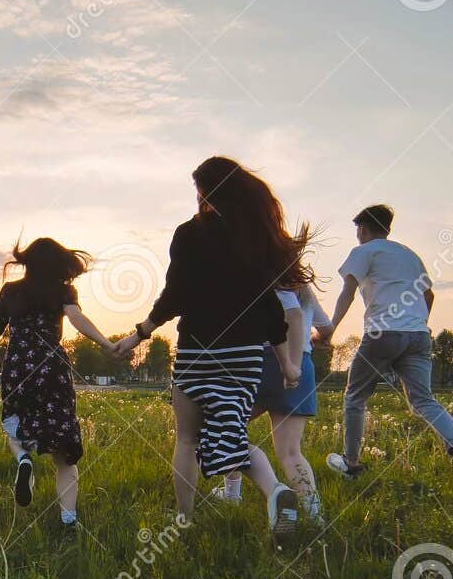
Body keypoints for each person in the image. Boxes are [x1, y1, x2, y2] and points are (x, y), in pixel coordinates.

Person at [115, 156, 313, 535]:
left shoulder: (190, 233)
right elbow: (270, 310)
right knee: (232, 434)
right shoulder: (254, 237)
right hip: (245, 359)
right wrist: (287, 363)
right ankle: (275, 491)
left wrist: (140, 333)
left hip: (198, 352)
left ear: (207, 192)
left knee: (187, 439)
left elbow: (175, 295)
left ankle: (184, 519)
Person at [323, 205, 453, 494]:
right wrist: (419, 323)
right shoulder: (410, 255)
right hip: (418, 335)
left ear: (363, 229)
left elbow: (348, 291)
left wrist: (330, 328)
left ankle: (351, 463)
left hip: (382, 333)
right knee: (423, 400)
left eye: (358, 230)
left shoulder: (363, 251)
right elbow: (428, 295)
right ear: (387, 228)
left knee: (355, 397)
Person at [0, 238, 121, 530]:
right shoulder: (63, 291)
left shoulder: (10, 291)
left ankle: (23, 459)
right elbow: (76, 318)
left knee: (15, 426)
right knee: (64, 450)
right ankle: (68, 520)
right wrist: (106, 344)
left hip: (18, 368)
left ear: (27, 262)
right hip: (52, 369)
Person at [214, 283, 331, 523]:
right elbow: (326, 328)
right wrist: (314, 340)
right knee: (290, 452)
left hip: (260, 361)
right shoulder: (304, 288)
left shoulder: (263, 277)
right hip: (302, 363)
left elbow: (289, 316)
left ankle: (237, 494)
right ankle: (315, 517)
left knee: (226, 430)